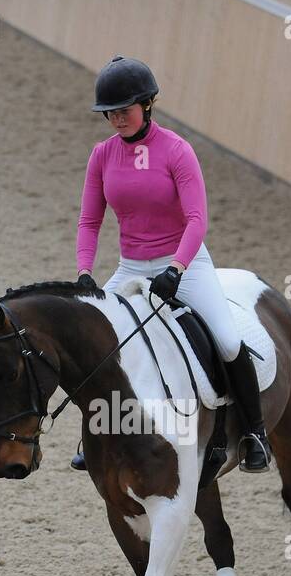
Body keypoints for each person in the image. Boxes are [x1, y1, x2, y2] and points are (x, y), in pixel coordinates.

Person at [70, 55, 270, 473]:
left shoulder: (177, 150)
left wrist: (176, 268)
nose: (116, 120)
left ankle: (254, 433)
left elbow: (197, 219)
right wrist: (85, 271)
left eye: (123, 110)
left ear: (147, 104)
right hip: (130, 266)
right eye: (109, 113)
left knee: (229, 341)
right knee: (91, 339)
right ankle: (93, 434)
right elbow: (90, 220)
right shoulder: (102, 155)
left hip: (185, 262)